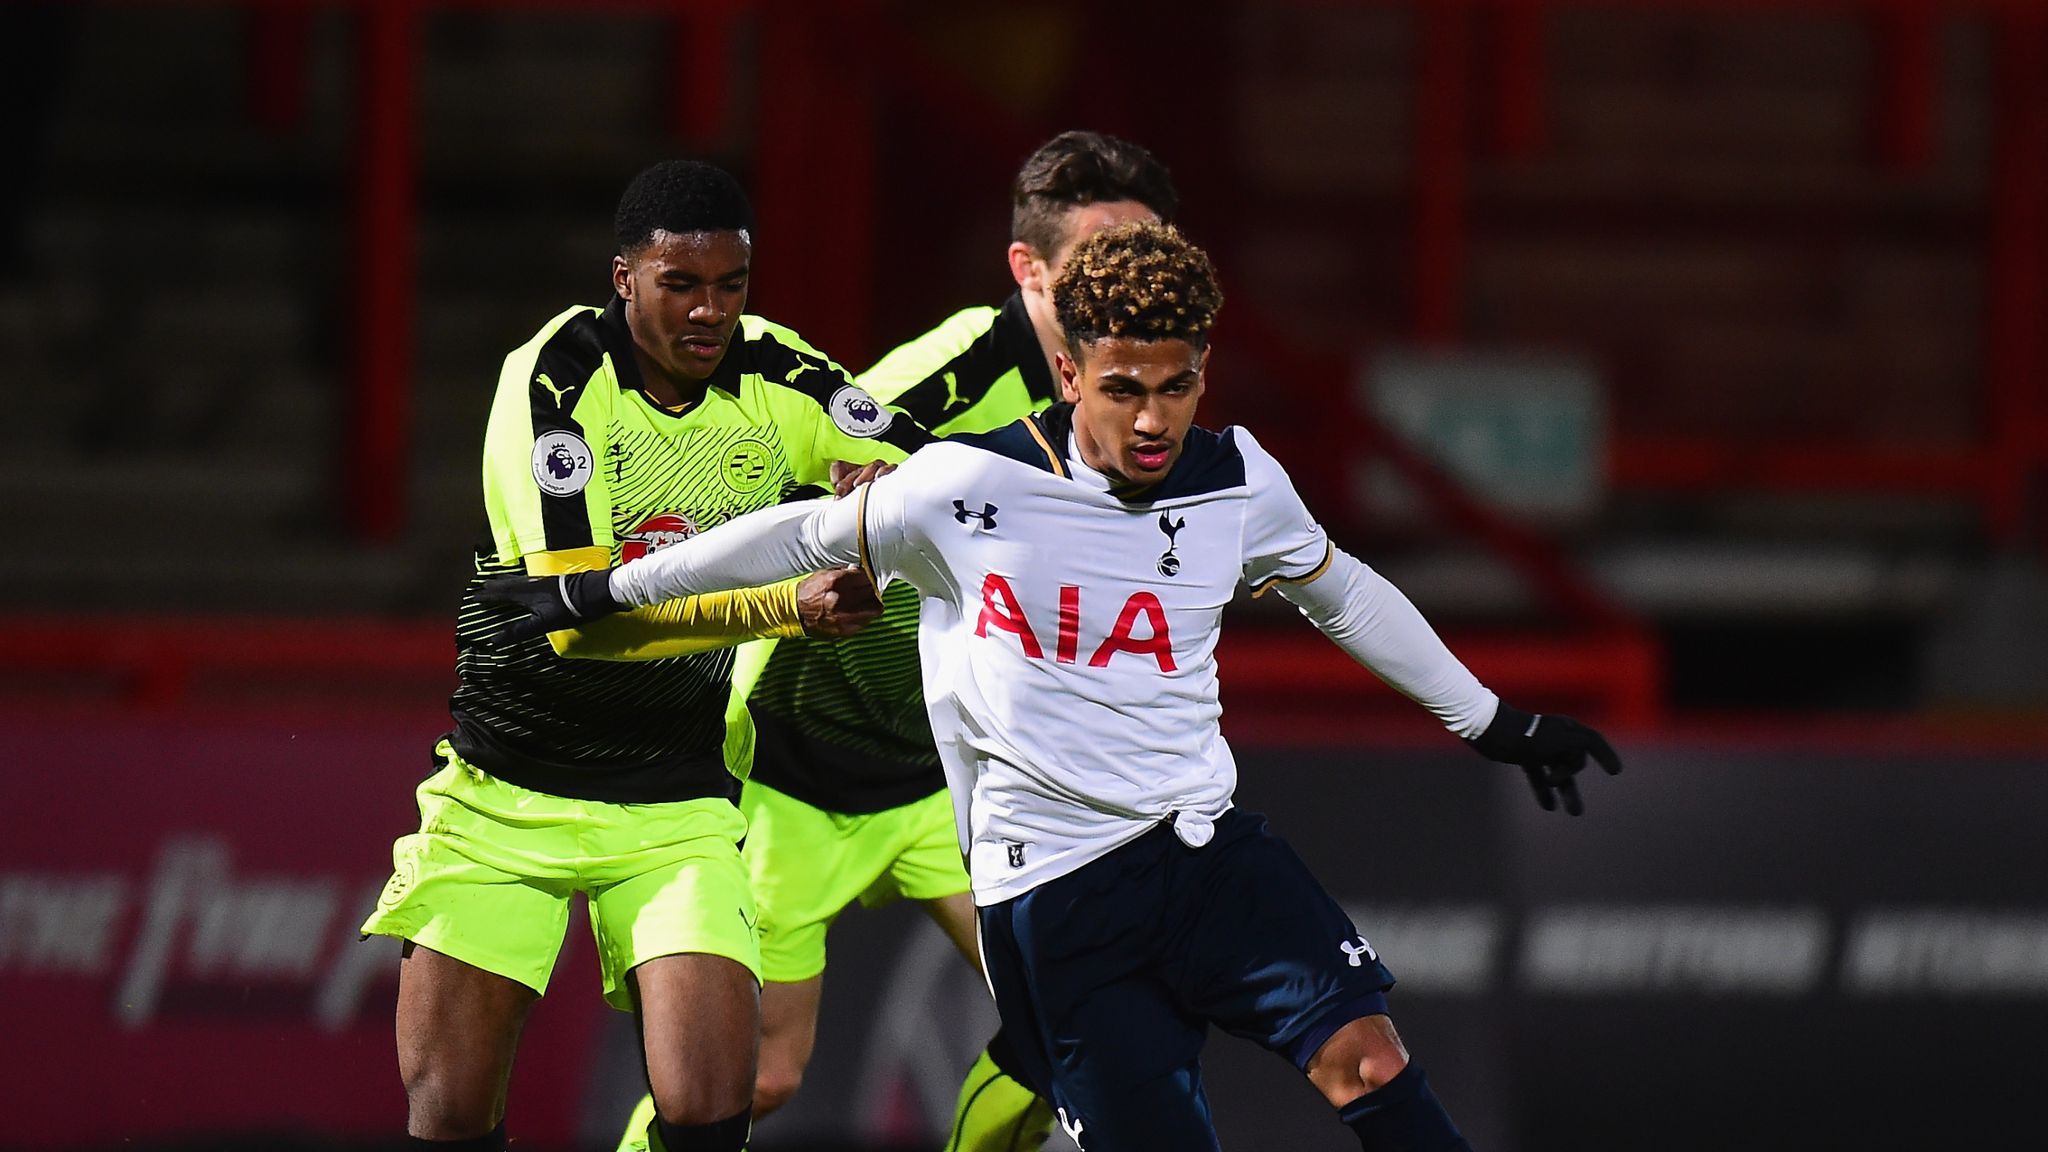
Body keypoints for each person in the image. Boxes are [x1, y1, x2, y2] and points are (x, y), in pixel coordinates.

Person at [483, 221, 1623, 1151]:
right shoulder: (967, 488)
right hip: (1057, 895)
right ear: (1070, 371)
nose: (1152, 420)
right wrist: (603, 591)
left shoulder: (1237, 479)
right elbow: (790, 536)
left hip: (1209, 853)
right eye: (1123, 388)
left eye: (1177, 387)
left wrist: (1492, 721)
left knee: (1368, 1060)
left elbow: (1344, 591)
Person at [613, 129, 1177, 1152]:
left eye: (1141, 256)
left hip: (948, 779)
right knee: (757, 1075)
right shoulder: (947, 377)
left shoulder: (1135, 396)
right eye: (1098, 258)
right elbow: (785, 488)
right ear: (1028, 269)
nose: (1123, 283)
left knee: (1090, 1016)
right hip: (797, 767)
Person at [360, 159, 928, 1152]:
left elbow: (924, 475)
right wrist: (782, 607)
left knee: (711, 1112)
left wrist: (883, 496)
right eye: (681, 285)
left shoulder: (782, 372)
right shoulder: (554, 381)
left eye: (731, 285)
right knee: (449, 1120)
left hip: (675, 802)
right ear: (623, 278)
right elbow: (579, 625)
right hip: (506, 793)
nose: (710, 312)